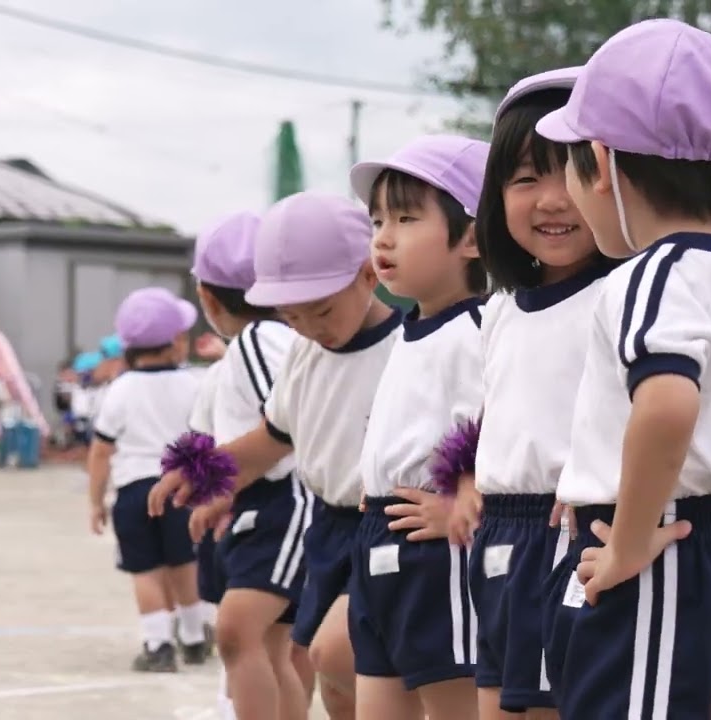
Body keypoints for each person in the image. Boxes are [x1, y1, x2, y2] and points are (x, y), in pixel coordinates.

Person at [532, 18, 711, 717]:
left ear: (600, 163)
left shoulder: (651, 277)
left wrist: (628, 539)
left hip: (652, 562)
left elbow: (667, 406)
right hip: (695, 548)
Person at [151, 191, 403, 720]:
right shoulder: (305, 355)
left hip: (388, 525)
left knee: (337, 652)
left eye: (323, 310)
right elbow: (268, 441)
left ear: (368, 274)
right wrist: (205, 476)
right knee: (333, 681)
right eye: (292, 315)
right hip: (328, 530)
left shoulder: (406, 346)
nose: (310, 327)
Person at [465, 66, 620, 720]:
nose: (552, 200)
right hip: (499, 537)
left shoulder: (621, 295)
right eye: (527, 178)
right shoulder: (500, 310)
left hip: (569, 535)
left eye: (573, 171)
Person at [344, 134, 489, 720]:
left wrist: (461, 499)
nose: (383, 237)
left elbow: (501, 427)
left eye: (406, 218)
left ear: (473, 237)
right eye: (378, 219)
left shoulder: (481, 328)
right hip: (378, 540)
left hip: (437, 554)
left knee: (454, 706)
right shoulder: (409, 329)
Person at [187, 210, 311, 720]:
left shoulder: (259, 341)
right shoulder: (263, 342)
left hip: (284, 502)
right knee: (271, 643)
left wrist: (221, 489)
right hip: (270, 500)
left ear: (208, 298)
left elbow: (280, 425)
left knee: (240, 631)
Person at [86, 287, 210, 672]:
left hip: (133, 491)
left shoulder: (119, 389)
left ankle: (157, 646)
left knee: (146, 571)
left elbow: (101, 450)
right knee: (185, 565)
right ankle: (193, 638)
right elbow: (207, 439)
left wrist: (95, 501)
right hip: (182, 489)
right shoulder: (194, 383)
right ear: (174, 340)